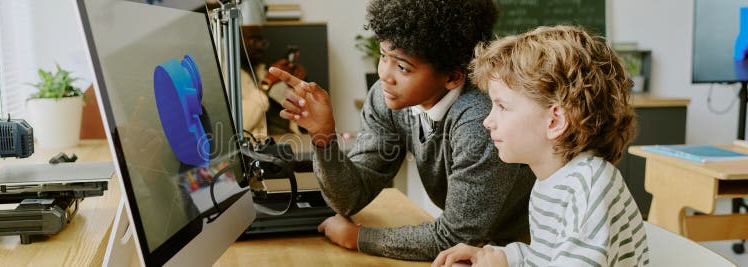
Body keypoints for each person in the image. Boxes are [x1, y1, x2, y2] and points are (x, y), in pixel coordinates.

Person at [266, 0, 535, 261]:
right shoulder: (387, 100)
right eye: (384, 56)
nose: (385, 74)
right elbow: (349, 198)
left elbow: (455, 237)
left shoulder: (481, 120)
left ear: (453, 77)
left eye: (403, 67)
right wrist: (323, 136)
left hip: (526, 251)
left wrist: (359, 239)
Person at [432, 25, 649, 267]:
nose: (487, 121)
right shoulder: (553, 180)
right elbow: (546, 259)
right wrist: (499, 257)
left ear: (555, 121)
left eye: (502, 106)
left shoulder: (588, 187)